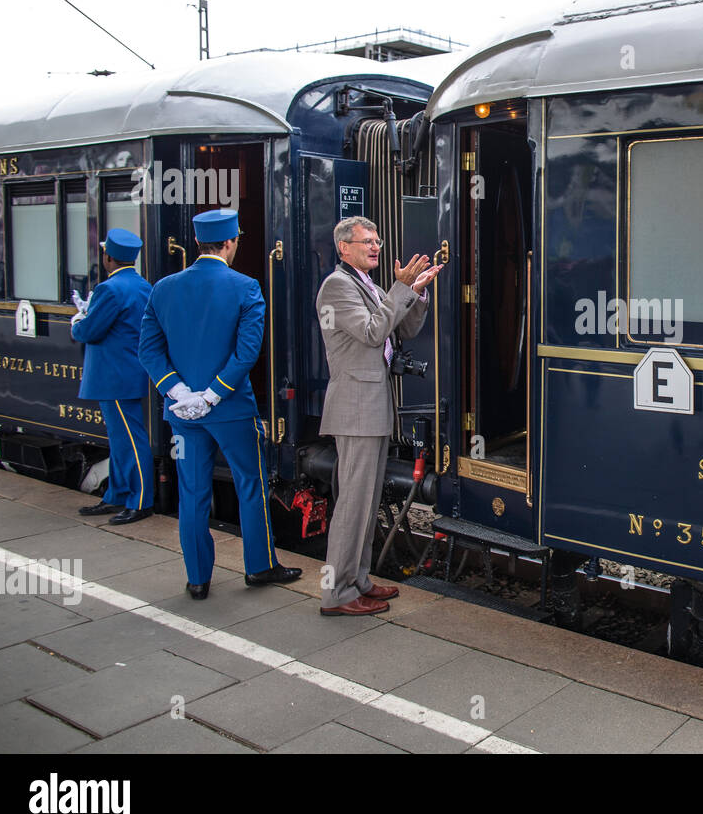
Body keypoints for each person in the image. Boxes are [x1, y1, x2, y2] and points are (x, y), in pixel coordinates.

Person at [138, 208, 301, 600]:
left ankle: (198, 580)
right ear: (231, 243)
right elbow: (247, 354)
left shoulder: (162, 288)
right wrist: (213, 394)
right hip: (230, 410)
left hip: (182, 414)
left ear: (196, 242)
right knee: (251, 484)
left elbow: (148, 349)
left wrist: (179, 392)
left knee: (192, 493)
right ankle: (260, 567)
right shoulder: (245, 287)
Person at [315, 216, 441, 616]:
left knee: (367, 503)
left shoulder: (363, 284)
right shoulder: (337, 286)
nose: (375, 246)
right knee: (352, 505)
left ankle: (358, 581)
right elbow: (372, 333)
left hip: (370, 406)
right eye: (365, 241)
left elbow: (398, 331)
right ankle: (336, 594)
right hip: (355, 409)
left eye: (377, 240)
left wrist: (415, 294)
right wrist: (400, 287)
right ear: (343, 248)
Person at [72, 229, 154, 525]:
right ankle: (117, 495)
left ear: (108, 258)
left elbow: (89, 331)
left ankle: (141, 500)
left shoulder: (110, 289)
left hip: (114, 376)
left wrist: (79, 319)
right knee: (122, 440)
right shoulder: (142, 285)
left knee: (130, 441)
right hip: (130, 372)